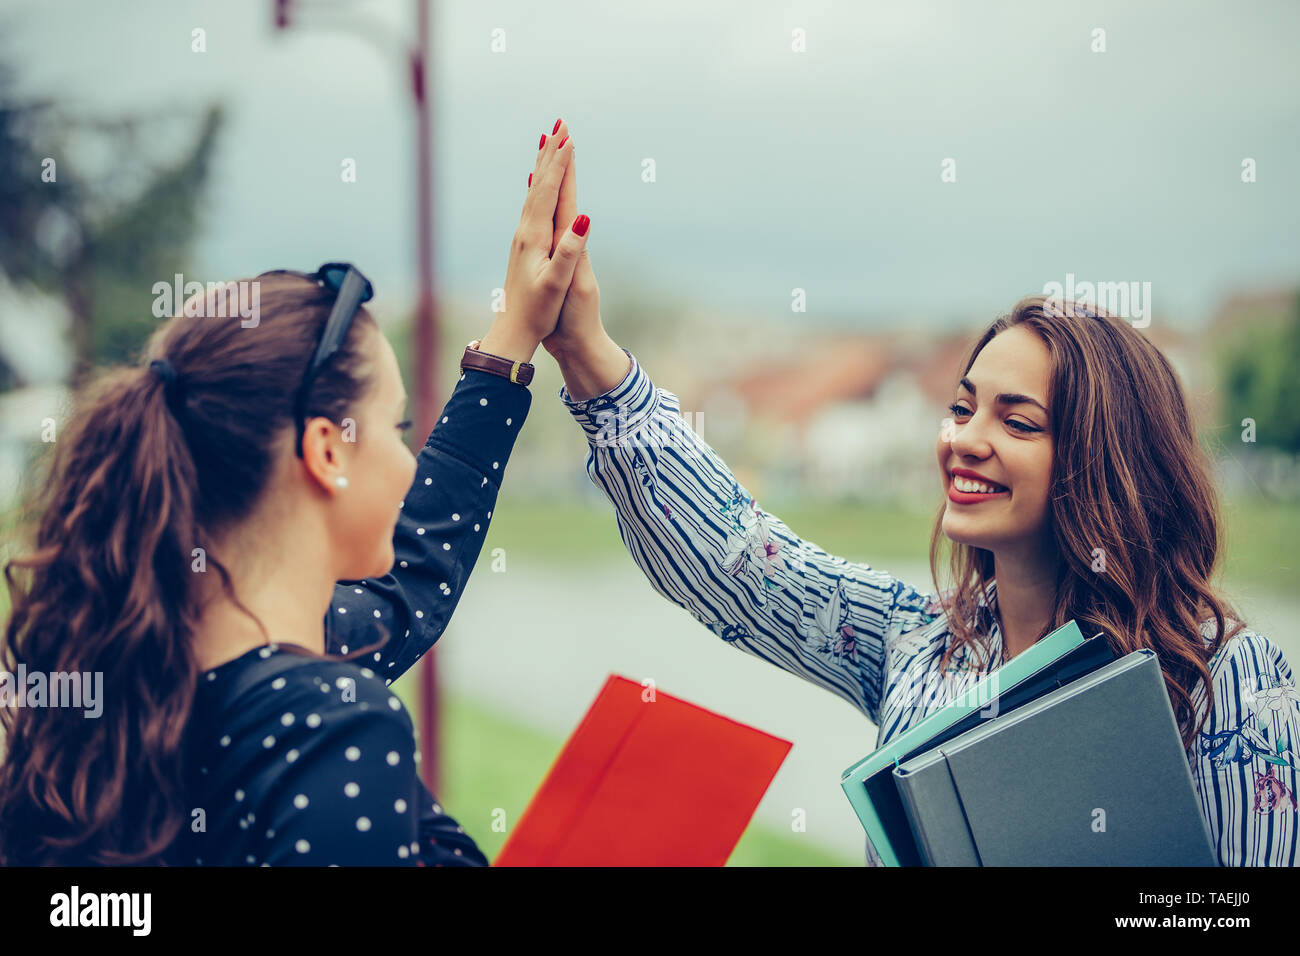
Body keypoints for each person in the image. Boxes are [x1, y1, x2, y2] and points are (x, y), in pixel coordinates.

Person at [538, 125, 1299, 867]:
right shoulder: (920, 644)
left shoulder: (1223, 676)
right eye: (963, 407)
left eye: (1018, 420)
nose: (964, 438)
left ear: (1108, 460)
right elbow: (741, 559)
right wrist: (585, 351)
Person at [0, 119, 590, 866]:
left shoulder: (107, 681)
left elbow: (405, 586)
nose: (408, 465)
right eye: (397, 428)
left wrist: (511, 342)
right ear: (325, 449)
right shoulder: (331, 728)